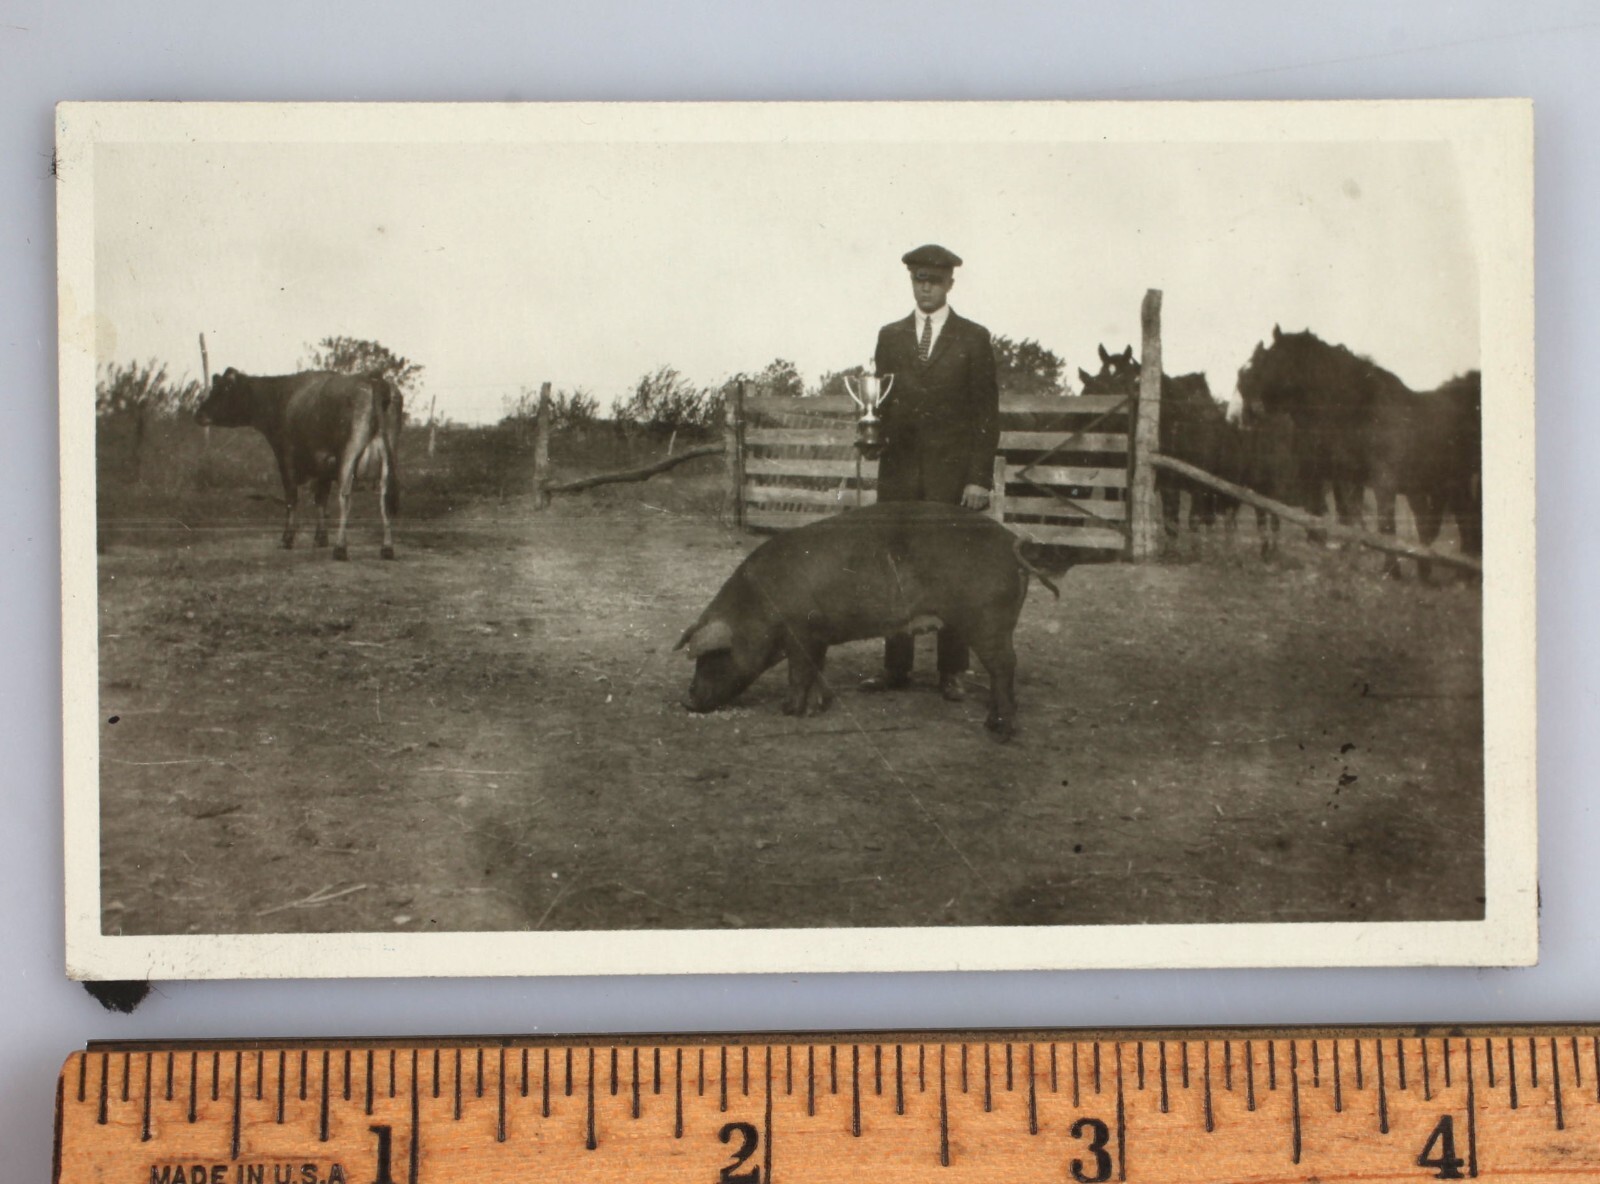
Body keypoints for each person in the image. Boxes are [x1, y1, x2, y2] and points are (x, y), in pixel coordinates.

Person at [861, 243, 1000, 701]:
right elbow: (877, 404)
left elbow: (986, 415)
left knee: (950, 568)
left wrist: (978, 478)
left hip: (951, 477)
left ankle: (951, 671)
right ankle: (895, 667)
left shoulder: (974, 338)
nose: (926, 287)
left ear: (950, 284)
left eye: (934, 281)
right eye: (919, 279)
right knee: (896, 565)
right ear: (911, 281)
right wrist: (871, 435)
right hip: (899, 474)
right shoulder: (890, 336)